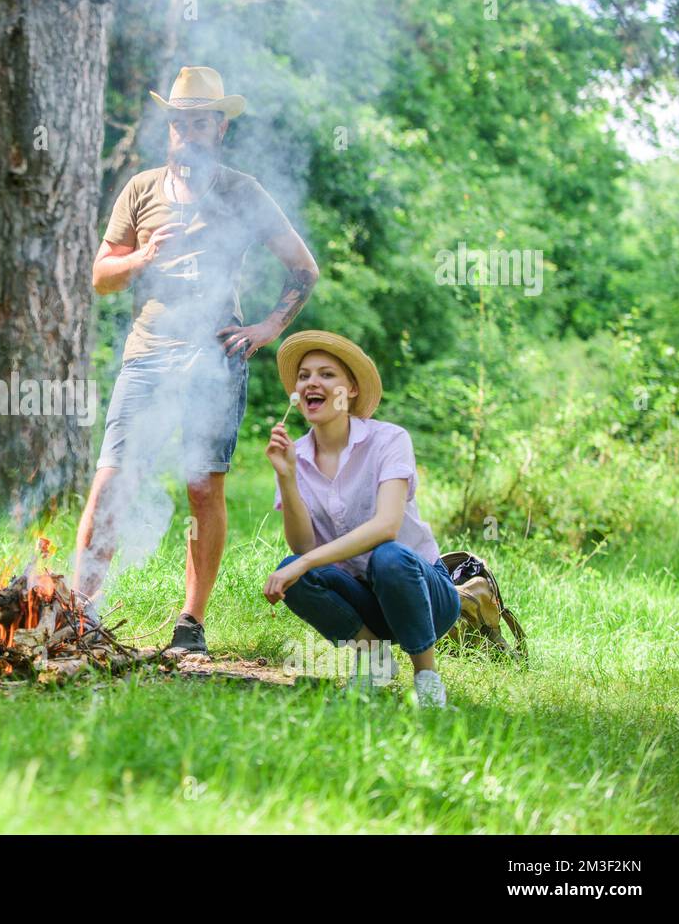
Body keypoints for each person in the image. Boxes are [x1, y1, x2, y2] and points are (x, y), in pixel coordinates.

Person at [74, 65, 320, 656]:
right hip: (147, 356)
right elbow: (100, 278)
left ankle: (191, 622)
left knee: (203, 488)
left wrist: (267, 327)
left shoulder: (243, 192)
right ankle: (80, 614)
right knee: (111, 483)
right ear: (170, 127)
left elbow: (302, 267)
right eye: (179, 123)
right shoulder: (140, 189)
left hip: (215, 361)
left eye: (201, 123)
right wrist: (140, 260)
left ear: (220, 129)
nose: (188, 132)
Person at [262, 331, 460, 707]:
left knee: (389, 556)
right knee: (295, 570)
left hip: (422, 593)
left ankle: (428, 681)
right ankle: (373, 656)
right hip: (363, 601)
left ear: (351, 389)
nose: (311, 383)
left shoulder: (389, 440)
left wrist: (304, 562)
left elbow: (387, 526)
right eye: (304, 376)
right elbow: (304, 547)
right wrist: (287, 476)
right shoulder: (295, 456)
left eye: (326, 374)